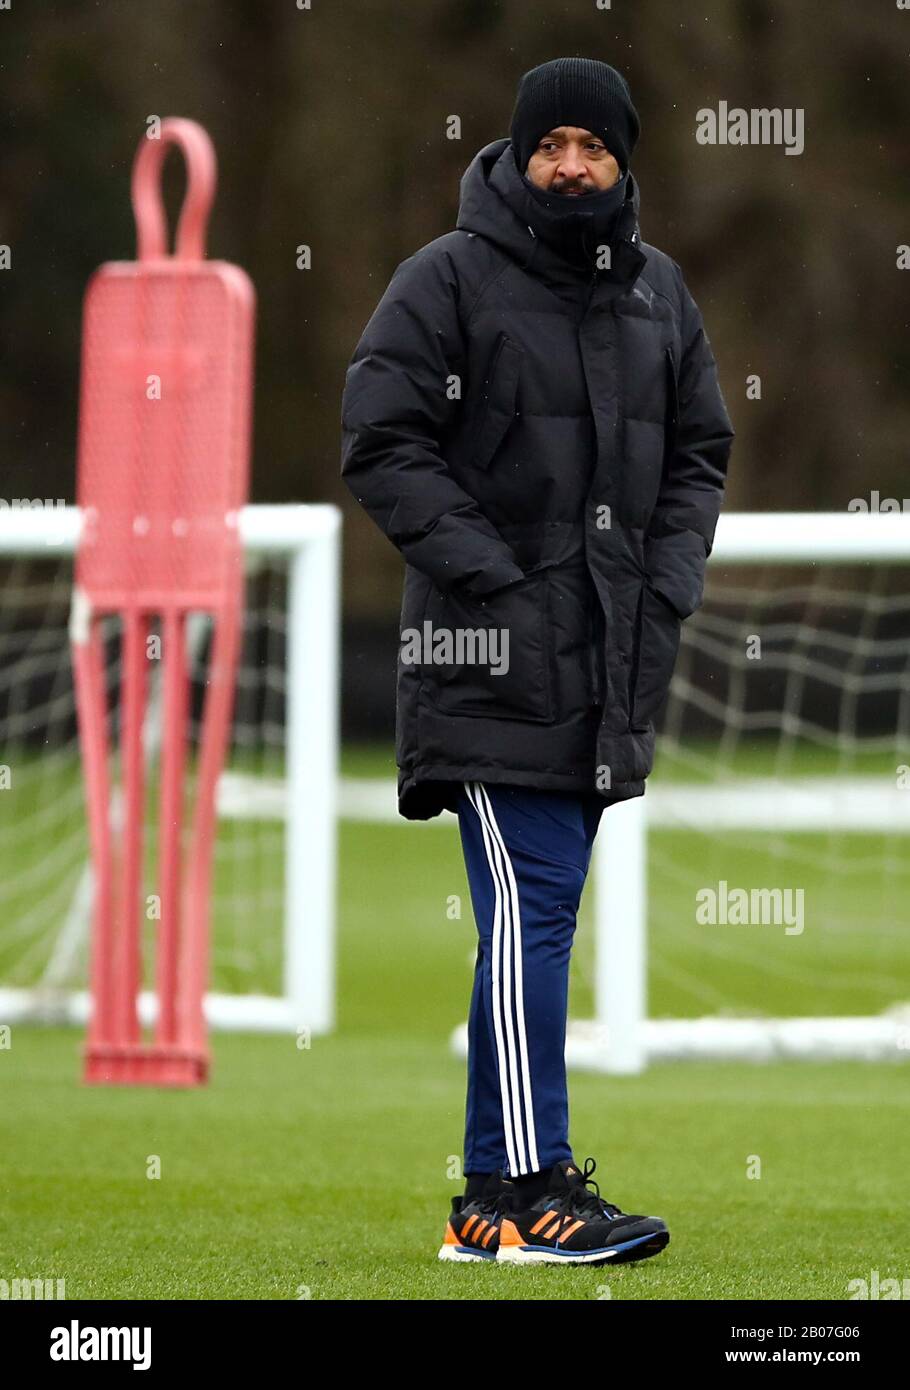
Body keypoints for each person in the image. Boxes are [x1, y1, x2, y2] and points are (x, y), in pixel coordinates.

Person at [341, 56, 734, 1266]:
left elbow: (699, 456)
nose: (570, 166)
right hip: (486, 658)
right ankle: (534, 1187)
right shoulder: (445, 278)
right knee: (534, 913)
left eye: (593, 147)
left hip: (609, 664)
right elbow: (380, 436)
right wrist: (499, 581)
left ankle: (485, 1204)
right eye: (549, 143)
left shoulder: (659, 294)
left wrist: (662, 590)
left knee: (526, 918)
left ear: (624, 164)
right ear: (515, 155)